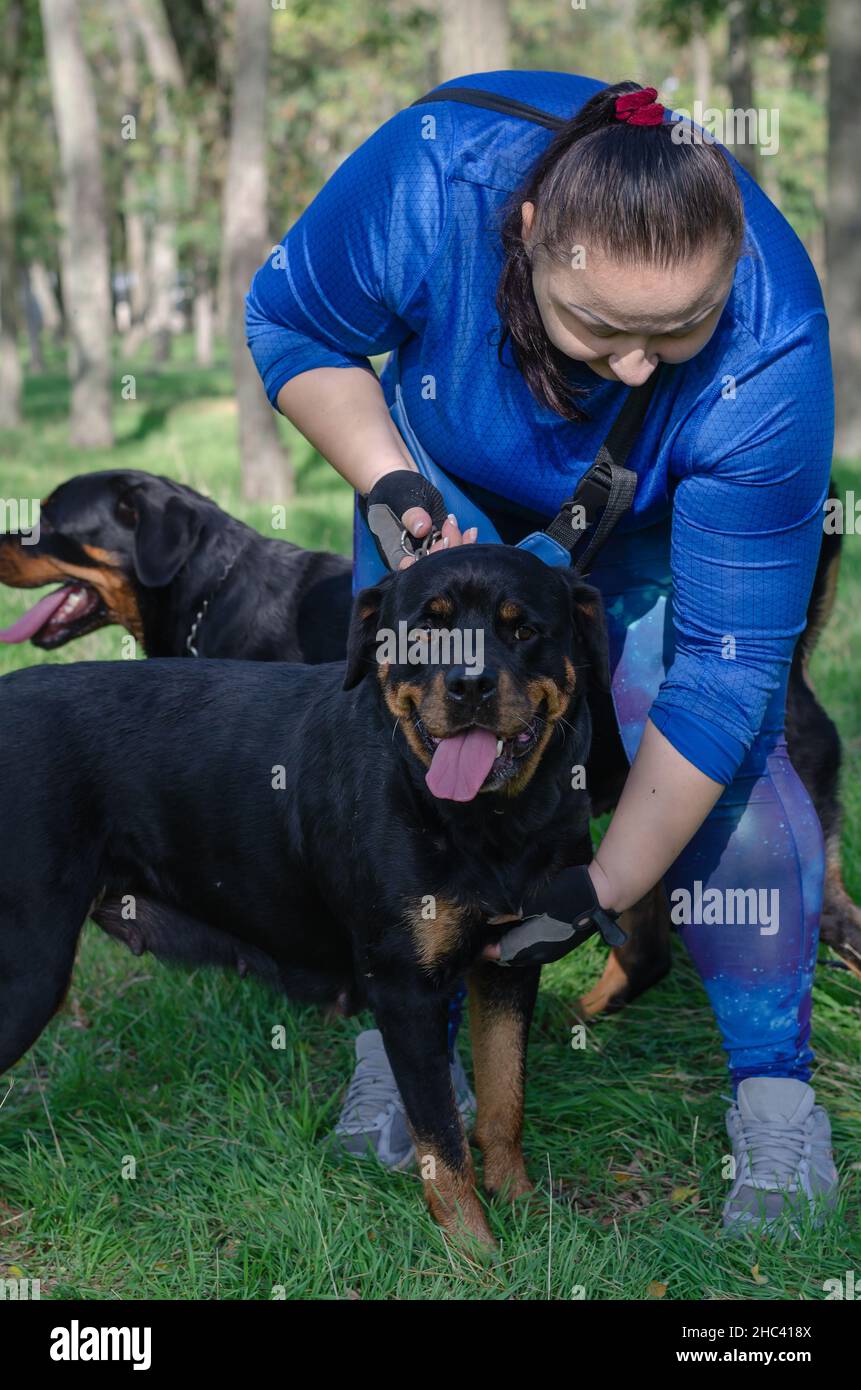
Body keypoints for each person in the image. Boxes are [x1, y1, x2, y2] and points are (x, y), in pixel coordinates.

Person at [246, 73, 838, 1232]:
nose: (638, 366)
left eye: (681, 329)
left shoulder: (774, 348)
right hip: (442, 491)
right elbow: (294, 324)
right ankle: (405, 1037)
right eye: (606, 327)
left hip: (662, 519)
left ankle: (777, 1103)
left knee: (733, 748)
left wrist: (604, 881)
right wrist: (391, 479)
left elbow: (724, 675)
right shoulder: (426, 181)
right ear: (525, 238)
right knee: (406, 736)